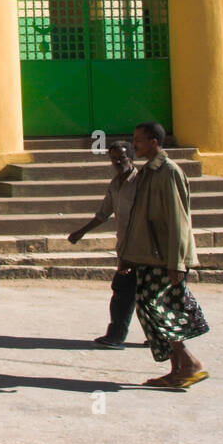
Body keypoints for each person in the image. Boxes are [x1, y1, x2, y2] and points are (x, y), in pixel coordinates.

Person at [120, 122, 210, 389]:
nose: (133, 145)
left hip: (165, 258)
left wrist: (177, 262)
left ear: (154, 143)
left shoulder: (168, 172)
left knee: (155, 306)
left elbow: (178, 221)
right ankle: (178, 370)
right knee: (150, 306)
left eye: (139, 140)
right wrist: (127, 255)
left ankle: (190, 362)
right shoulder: (148, 172)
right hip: (149, 256)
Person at [68, 140, 141, 349]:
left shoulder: (141, 182)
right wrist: (80, 232)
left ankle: (120, 336)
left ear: (132, 158)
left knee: (128, 292)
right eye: (114, 159)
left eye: (122, 158)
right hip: (125, 246)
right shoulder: (116, 184)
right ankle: (120, 335)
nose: (118, 162)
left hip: (141, 248)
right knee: (127, 292)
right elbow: (103, 214)